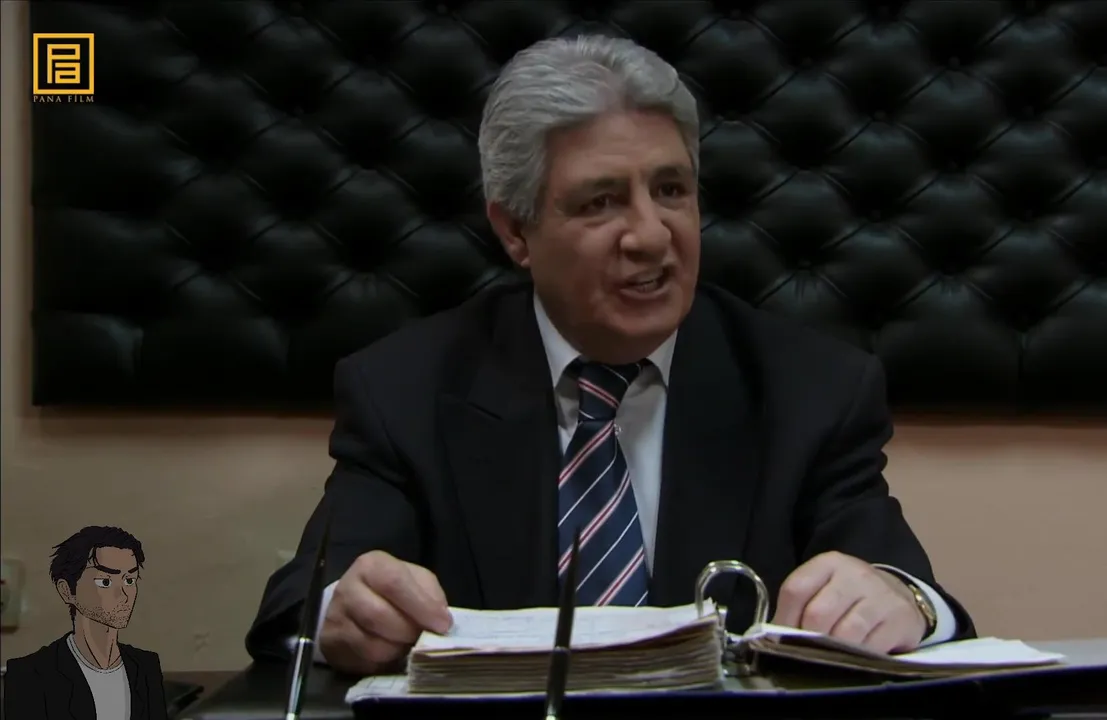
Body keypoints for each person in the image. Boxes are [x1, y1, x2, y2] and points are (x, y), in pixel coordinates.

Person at [246, 34, 974, 676]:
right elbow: (303, 603)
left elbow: (909, 590)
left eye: (671, 190)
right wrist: (345, 611)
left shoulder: (812, 389)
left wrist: (902, 602)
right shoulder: (403, 390)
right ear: (515, 231)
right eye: (600, 202)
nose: (651, 236)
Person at [4, 526, 167, 719]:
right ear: (67, 591)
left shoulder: (146, 667)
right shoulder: (30, 674)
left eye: (129, 580)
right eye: (105, 582)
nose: (124, 594)